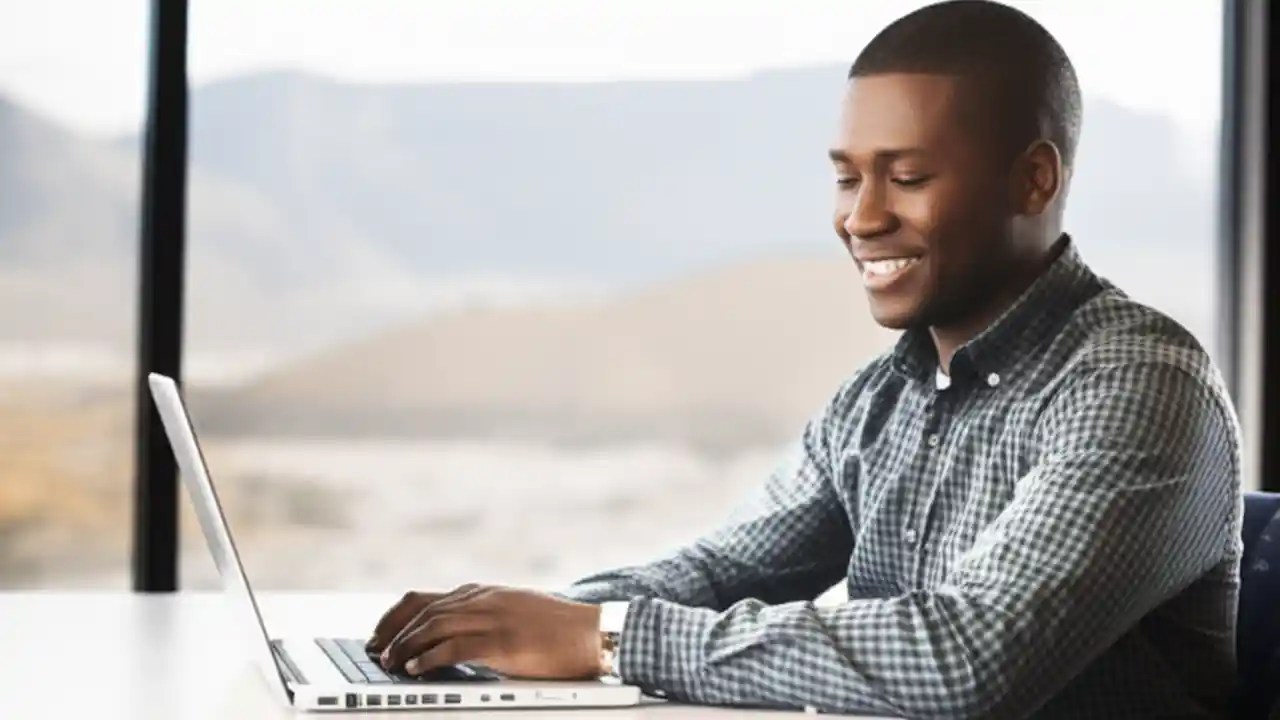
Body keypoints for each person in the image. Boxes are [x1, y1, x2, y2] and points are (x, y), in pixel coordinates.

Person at [365, 1, 1243, 717]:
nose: (860, 217)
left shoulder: (1138, 385)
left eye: (906, 177)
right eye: (846, 176)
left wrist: (606, 637)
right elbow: (715, 573)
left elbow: (968, 658)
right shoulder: (880, 400)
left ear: (1034, 182)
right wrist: (506, 625)